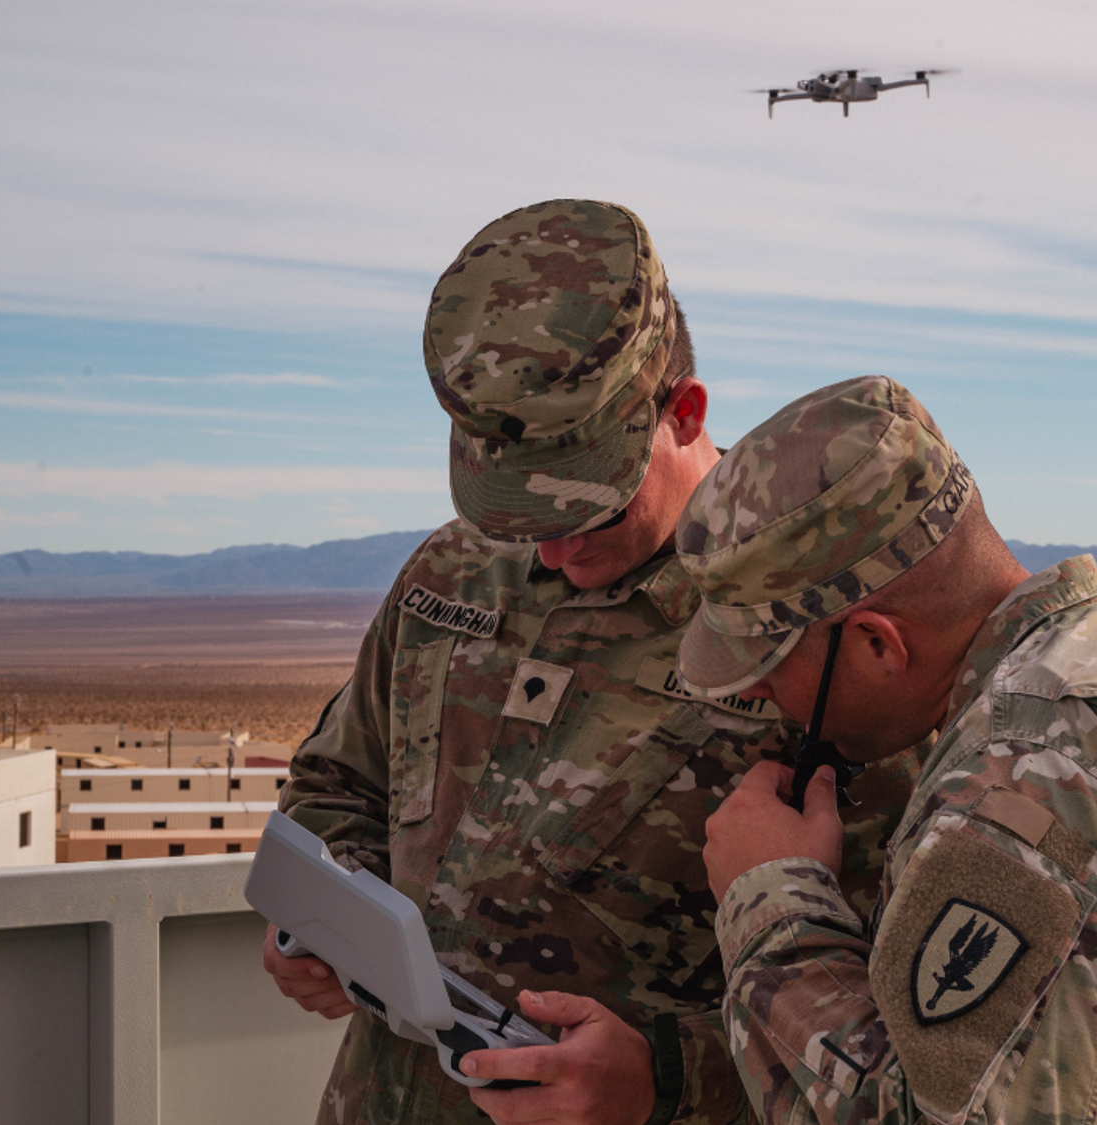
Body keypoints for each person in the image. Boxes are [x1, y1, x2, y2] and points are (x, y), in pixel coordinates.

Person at [265, 200, 916, 1125]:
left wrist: (665, 1076)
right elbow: (337, 783)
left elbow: (887, 1005)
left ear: (682, 412)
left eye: (585, 513)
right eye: (515, 519)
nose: (551, 554)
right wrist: (321, 921)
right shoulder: (452, 570)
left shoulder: (798, 619)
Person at [675, 375, 1097, 1124]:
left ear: (878, 643)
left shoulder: (1029, 776)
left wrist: (774, 902)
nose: (758, 698)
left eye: (771, 668)